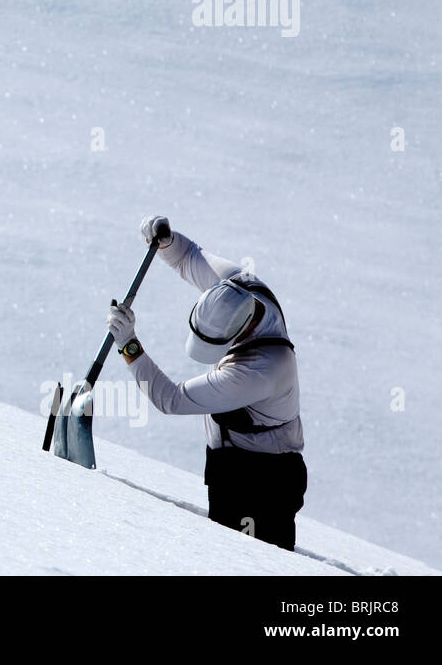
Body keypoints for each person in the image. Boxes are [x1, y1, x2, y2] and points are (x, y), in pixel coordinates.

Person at [108, 216, 307, 551]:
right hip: (233, 466)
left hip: (262, 481)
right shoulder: (238, 286)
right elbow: (189, 258)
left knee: (252, 561)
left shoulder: (260, 370)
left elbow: (170, 400)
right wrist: (166, 240)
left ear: (239, 331)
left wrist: (129, 345)